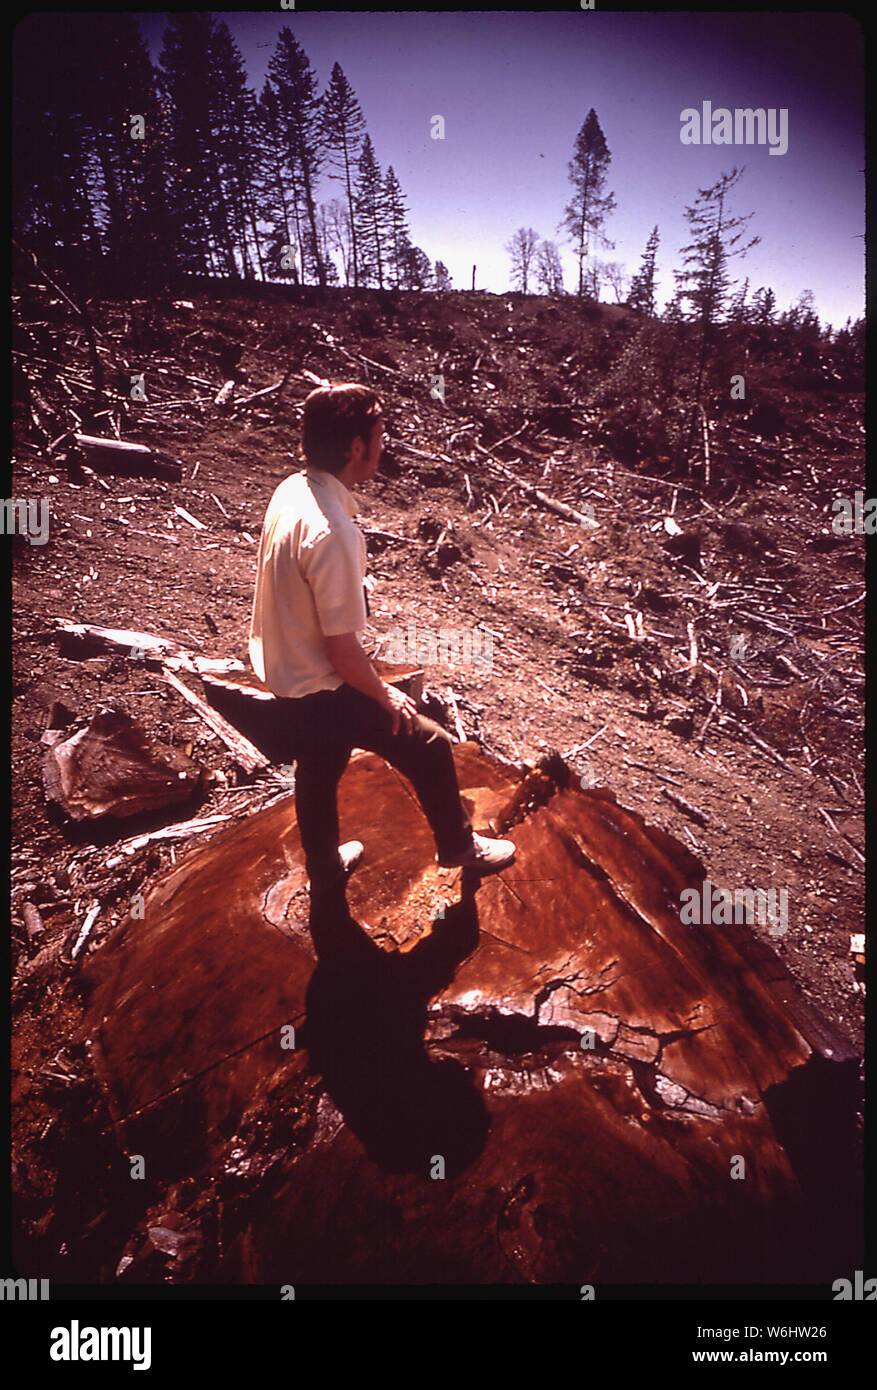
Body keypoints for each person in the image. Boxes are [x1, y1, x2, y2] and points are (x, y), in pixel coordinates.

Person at [249, 382, 515, 931]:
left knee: (317, 770)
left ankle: (324, 866)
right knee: (429, 742)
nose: (383, 445)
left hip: (283, 669)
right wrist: (385, 693)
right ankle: (457, 847)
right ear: (354, 447)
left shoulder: (292, 491)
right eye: (378, 436)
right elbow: (344, 654)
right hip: (322, 681)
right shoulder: (334, 532)